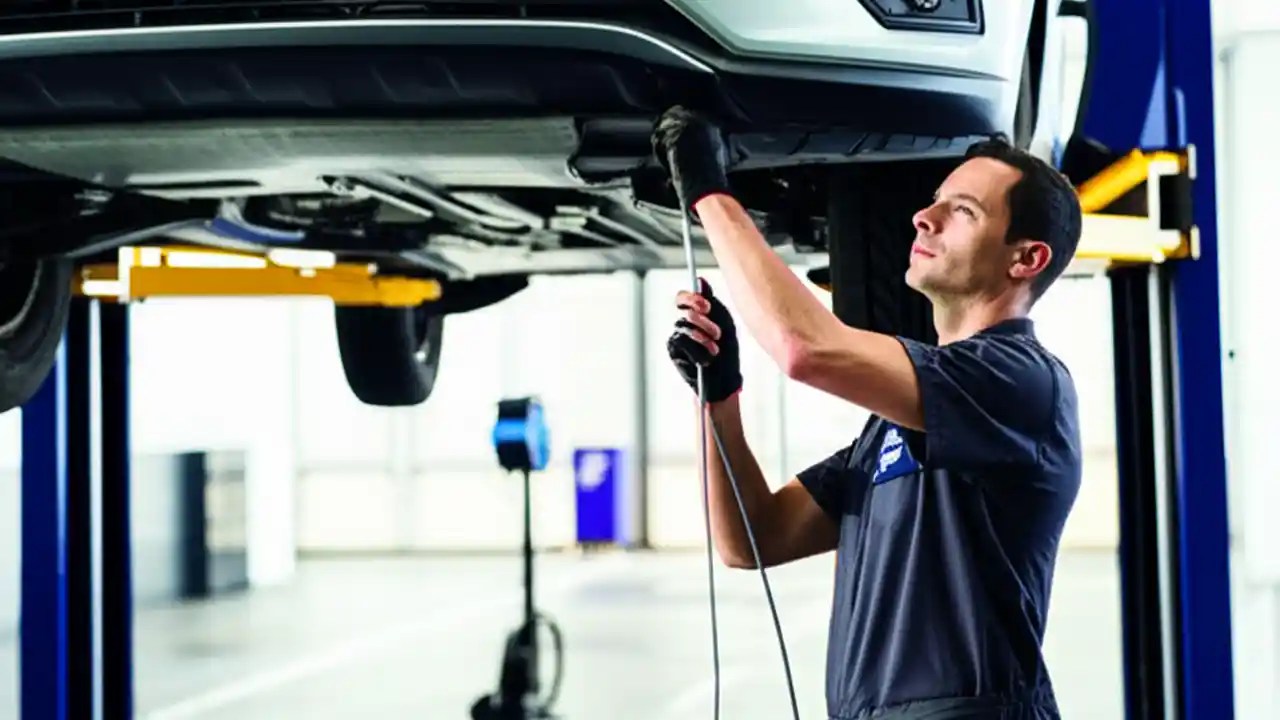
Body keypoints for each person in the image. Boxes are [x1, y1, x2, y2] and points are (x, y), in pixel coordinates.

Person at [651, 106, 1084, 720]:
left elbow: (806, 349)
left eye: (963, 211)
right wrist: (719, 398)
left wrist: (711, 194)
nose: (923, 216)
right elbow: (752, 538)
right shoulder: (901, 421)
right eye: (937, 200)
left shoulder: (1023, 383)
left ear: (1026, 260)